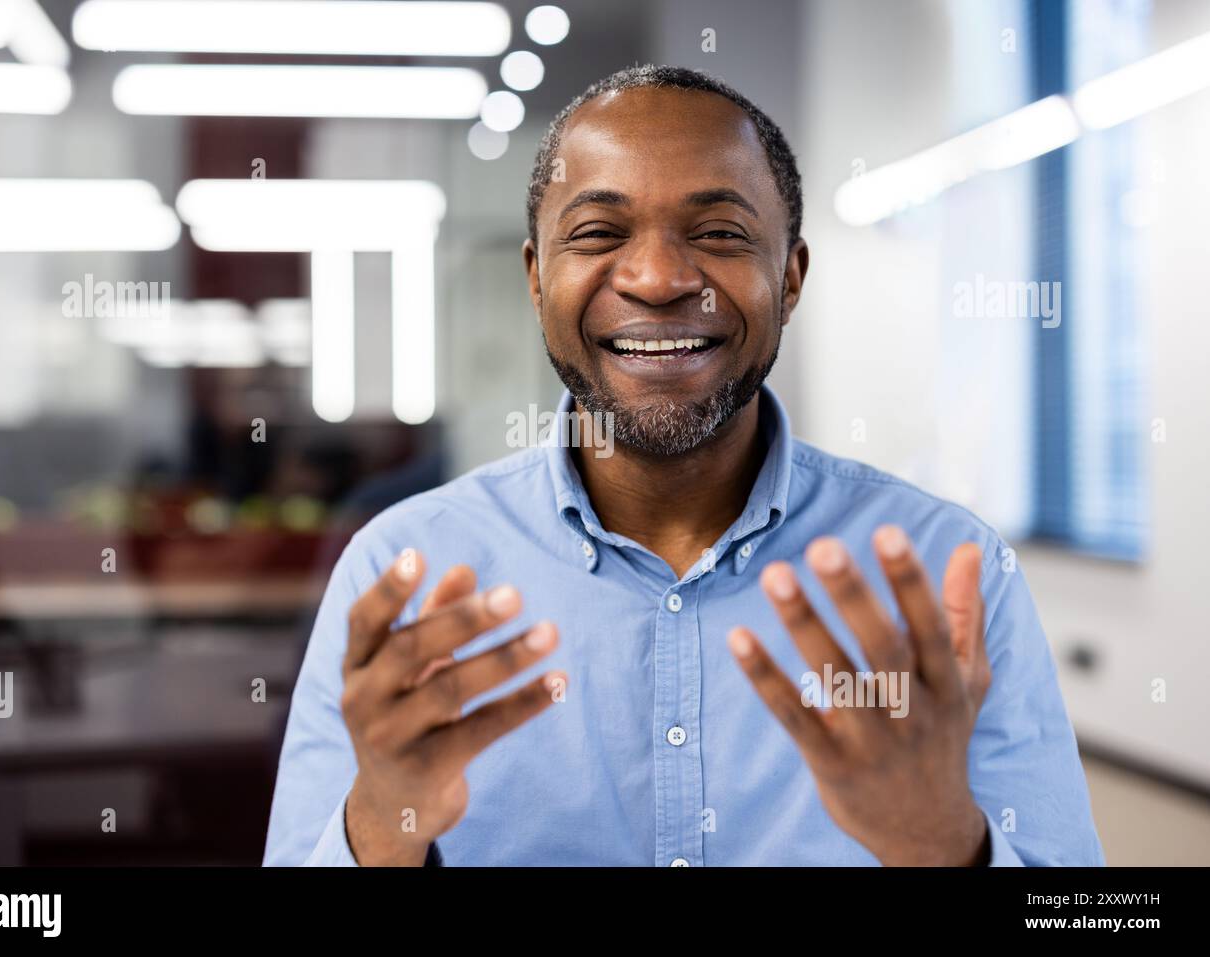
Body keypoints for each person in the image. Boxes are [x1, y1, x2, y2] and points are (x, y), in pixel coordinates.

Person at [264, 65, 1104, 867]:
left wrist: (940, 843)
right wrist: (384, 819)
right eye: (597, 233)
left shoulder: (949, 573)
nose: (660, 278)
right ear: (535, 278)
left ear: (793, 275)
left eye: (720, 233)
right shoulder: (402, 571)